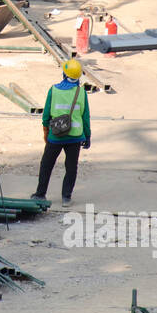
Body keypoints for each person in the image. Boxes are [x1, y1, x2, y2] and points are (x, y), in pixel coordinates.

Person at [33, 58, 90, 209]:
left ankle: (40, 194)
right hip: (75, 137)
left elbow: (46, 115)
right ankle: (66, 197)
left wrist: (46, 131)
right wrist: (87, 136)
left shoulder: (54, 90)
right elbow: (85, 117)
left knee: (46, 164)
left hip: (56, 136)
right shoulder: (81, 92)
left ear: (64, 74)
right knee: (71, 167)